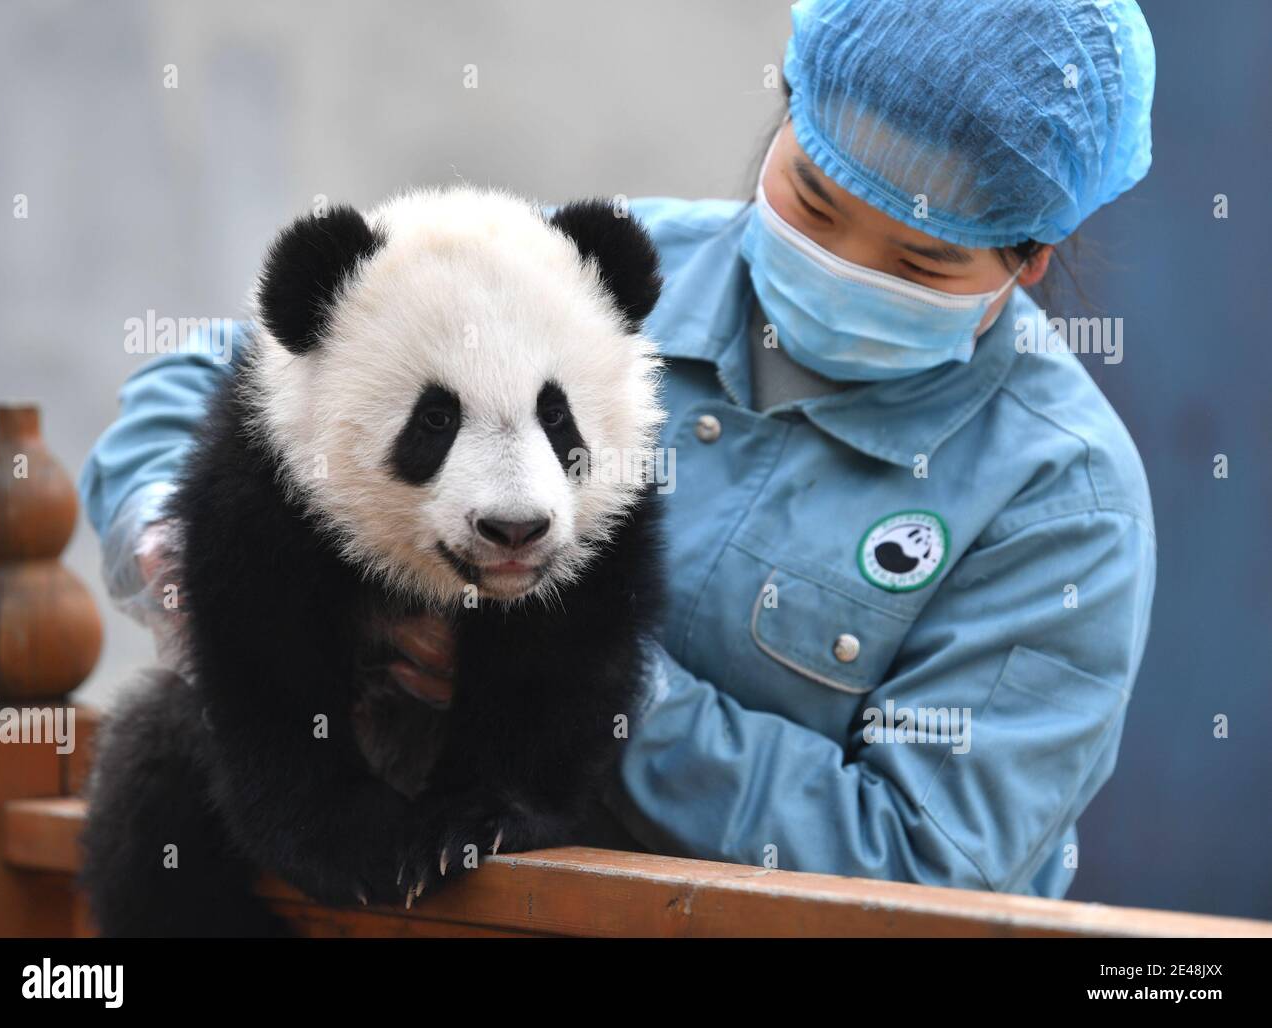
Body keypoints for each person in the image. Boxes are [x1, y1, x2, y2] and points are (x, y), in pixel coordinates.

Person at [81, 0, 1157, 898]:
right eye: (815, 201)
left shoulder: (1061, 502)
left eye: (918, 261)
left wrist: (572, 682)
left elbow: (926, 863)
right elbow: (240, 366)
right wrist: (190, 560)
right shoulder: (581, 272)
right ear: (786, 112)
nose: (839, 263)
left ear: (1028, 256)